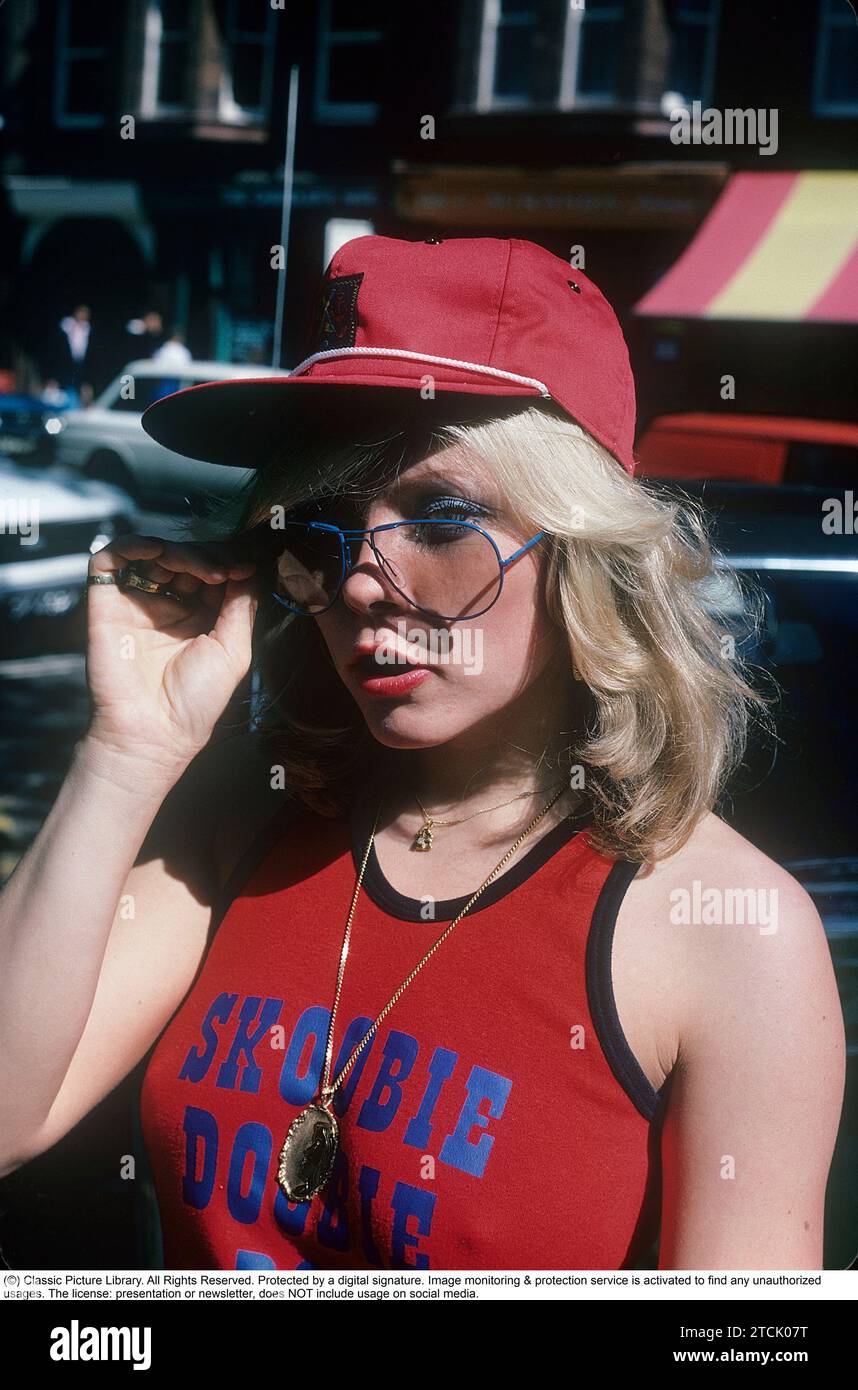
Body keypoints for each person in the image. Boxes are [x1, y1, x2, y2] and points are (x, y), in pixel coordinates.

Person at [0, 235, 845, 1273]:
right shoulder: (246, 827)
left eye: (442, 516)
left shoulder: (724, 930)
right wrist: (128, 746)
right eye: (326, 529)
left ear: (582, 548)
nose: (361, 582)